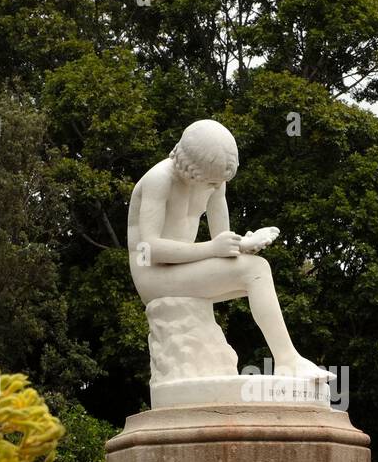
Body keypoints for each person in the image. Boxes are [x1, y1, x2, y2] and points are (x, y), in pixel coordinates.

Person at [127, 119, 332, 380]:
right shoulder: (160, 179)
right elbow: (150, 249)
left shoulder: (215, 180)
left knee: (256, 270)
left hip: (183, 268)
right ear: (191, 170)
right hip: (153, 276)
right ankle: (287, 359)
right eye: (211, 182)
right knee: (254, 271)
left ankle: (288, 361)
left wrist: (242, 245)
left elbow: (222, 240)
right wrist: (213, 248)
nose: (215, 188)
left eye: (218, 182)